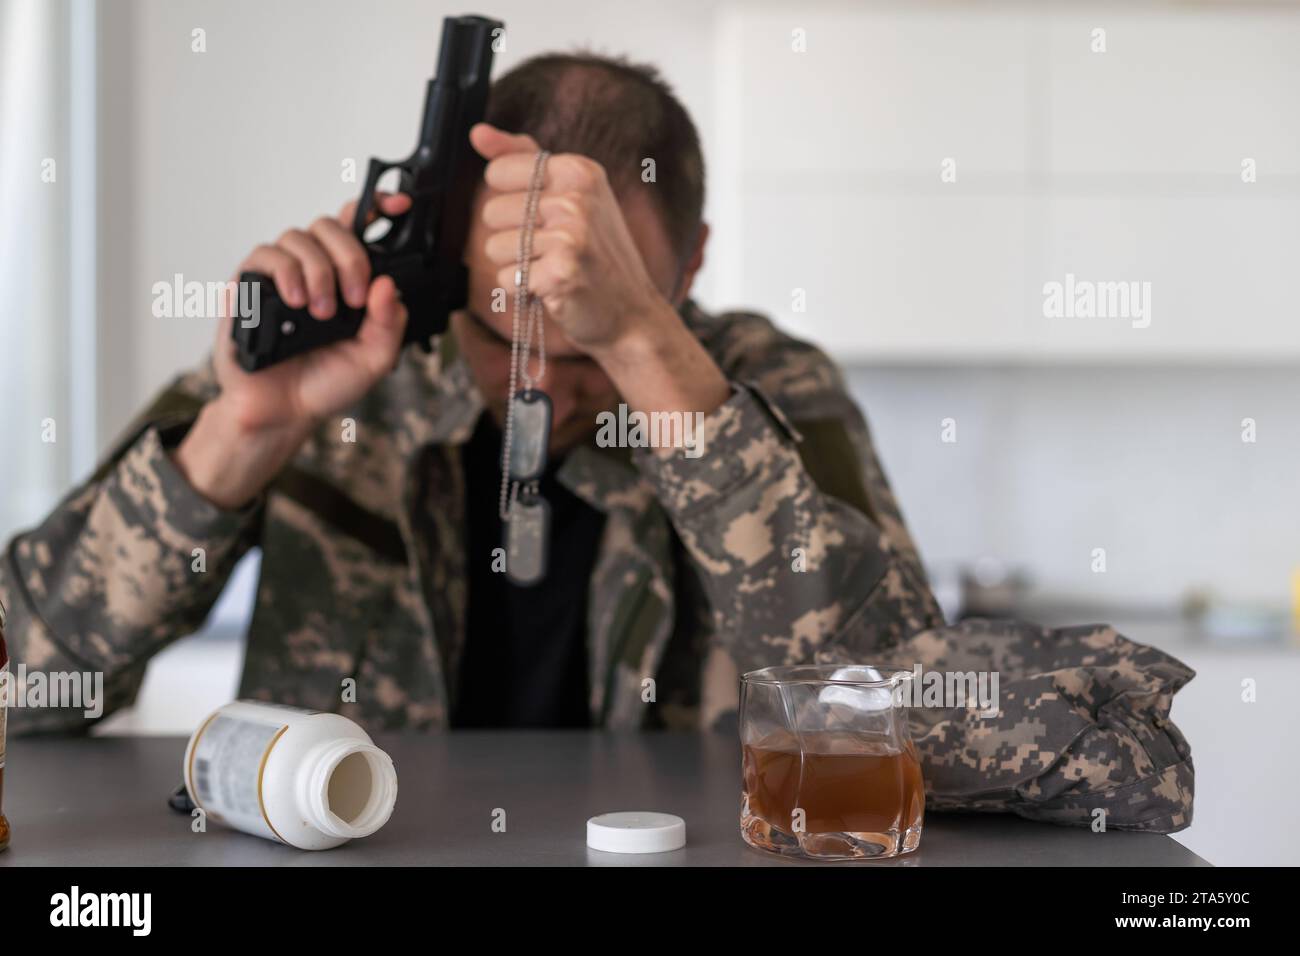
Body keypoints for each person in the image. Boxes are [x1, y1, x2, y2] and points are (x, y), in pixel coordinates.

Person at [0, 51, 1194, 832]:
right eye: (497, 334)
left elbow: (887, 717)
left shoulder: (765, 382)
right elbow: (24, 682)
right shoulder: (331, 364)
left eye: (590, 339)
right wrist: (243, 434)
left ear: (690, 264)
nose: (542, 387)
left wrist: (651, 355)